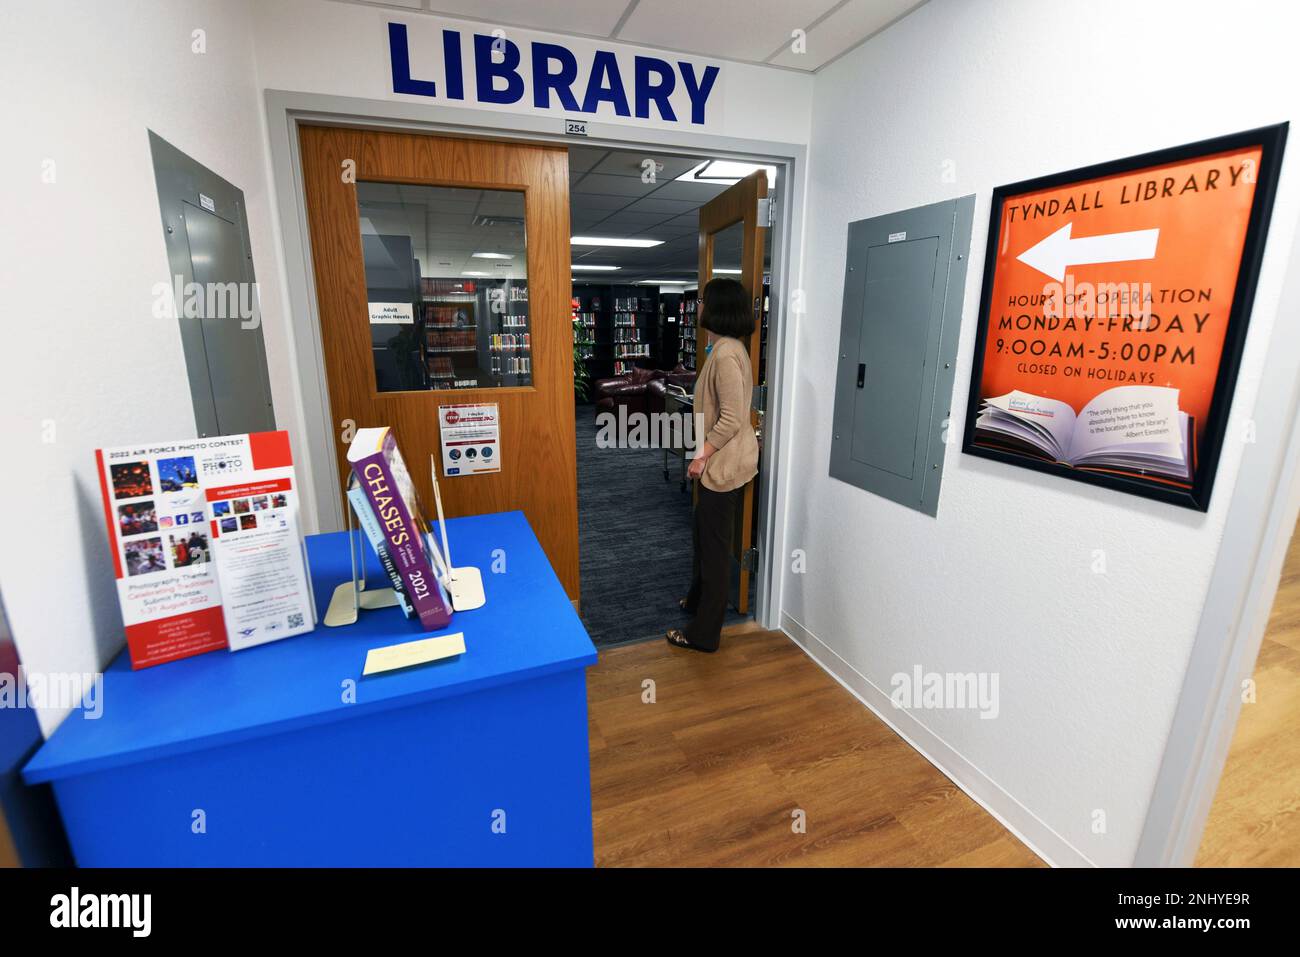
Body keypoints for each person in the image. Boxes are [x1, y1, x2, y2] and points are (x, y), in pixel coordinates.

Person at [666, 277, 760, 653]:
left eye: (703, 300)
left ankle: (704, 633)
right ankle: (696, 598)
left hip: (724, 465)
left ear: (717, 308)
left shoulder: (724, 354)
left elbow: (732, 418)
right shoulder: (728, 348)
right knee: (703, 536)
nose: (699, 306)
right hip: (724, 461)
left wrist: (701, 453)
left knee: (715, 549)